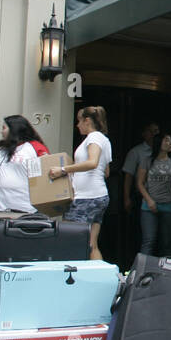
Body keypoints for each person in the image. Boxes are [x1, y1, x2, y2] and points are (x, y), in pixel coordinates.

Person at [49, 106, 112, 260]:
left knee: (69, 240)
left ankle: (73, 279)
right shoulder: (104, 140)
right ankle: (100, 278)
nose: (77, 125)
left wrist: (63, 170)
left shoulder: (93, 138)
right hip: (98, 195)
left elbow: (92, 162)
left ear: (87, 120)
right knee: (91, 244)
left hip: (86, 198)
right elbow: (106, 172)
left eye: (79, 121)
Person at [0, 115, 47, 219]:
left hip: (27, 210)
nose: (1, 132)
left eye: (4, 128)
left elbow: (48, 168)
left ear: (14, 129)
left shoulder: (35, 147)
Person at [137, 132, 171, 257]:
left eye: (170, 141)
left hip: (168, 205)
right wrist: (149, 200)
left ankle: (165, 271)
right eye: (166, 140)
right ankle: (142, 270)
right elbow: (139, 183)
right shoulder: (148, 161)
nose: (170, 143)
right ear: (158, 143)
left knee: (166, 243)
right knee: (148, 240)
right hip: (148, 207)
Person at [121, 122, 159, 221]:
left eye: (157, 131)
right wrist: (126, 198)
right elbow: (128, 176)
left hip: (161, 196)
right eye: (152, 131)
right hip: (141, 196)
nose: (155, 135)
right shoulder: (136, 152)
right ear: (144, 133)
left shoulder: (162, 151)